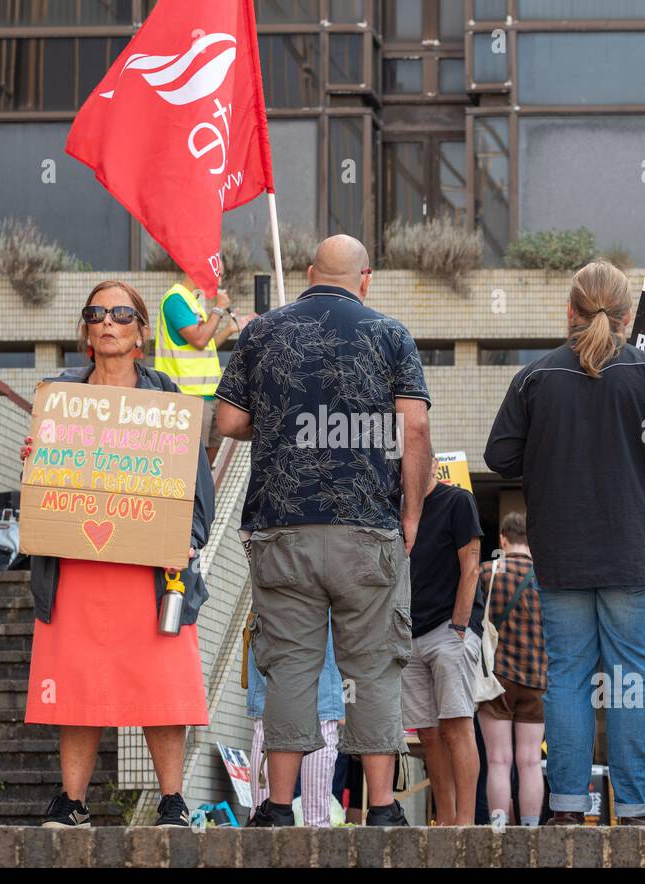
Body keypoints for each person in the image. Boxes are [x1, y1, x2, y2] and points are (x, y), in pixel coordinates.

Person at [216, 234, 432, 828]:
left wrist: (282, 418)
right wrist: (411, 513)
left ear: (310, 273)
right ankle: (383, 808)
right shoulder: (391, 335)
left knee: (289, 666)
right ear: (366, 279)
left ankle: (277, 807)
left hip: (282, 532)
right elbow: (413, 431)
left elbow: (229, 418)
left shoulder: (262, 332)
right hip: (368, 531)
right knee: (374, 668)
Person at [485, 259, 645, 826]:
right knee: (632, 678)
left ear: (569, 312)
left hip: (561, 553)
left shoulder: (536, 379)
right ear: (630, 316)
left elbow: (499, 457)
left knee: (566, 678)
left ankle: (565, 806)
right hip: (636, 552)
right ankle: (635, 810)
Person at [22, 280, 215, 828]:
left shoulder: (169, 400)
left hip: (149, 571)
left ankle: (172, 801)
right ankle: (73, 802)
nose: (108, 321)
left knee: (162, 683)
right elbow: (43, 486)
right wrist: (35, 459)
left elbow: (199, 487)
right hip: (75, 567)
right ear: (85, 329)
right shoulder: (57, 397)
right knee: (78, 683)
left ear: (141, 333)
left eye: (121, 314)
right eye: (96, 313)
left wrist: (190, 541)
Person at [402, 453, 484, 825]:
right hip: (410, 635)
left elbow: (472, 566)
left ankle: (464, 825)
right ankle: (446, 822)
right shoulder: (398, 511)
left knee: (456, 725)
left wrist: (460, 627)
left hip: (449, 631)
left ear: (433, 464)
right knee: (429, 735)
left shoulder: (457, 500)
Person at [477, 511, 546, 827]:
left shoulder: (487, 571)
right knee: (531, 760)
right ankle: (531, 828)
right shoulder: (547, 575)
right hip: (538, 678)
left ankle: (499, 827)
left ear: (503, 539)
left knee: (498, 760)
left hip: (497, 679)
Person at [246, 620, 344, 827]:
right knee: (322, 718)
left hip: (271, 608)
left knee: (267, 720)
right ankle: (316, 826)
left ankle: (262, 820)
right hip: (320, 612)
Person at [154, 272, 250, 450]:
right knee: (192, 465)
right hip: (188, 396)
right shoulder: (176, 299)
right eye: (217, 273)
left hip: (209, 395)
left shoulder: (193, 301)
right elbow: (199, 340)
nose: (220, 279)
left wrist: (230, 329)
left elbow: (206, 345)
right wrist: (219, 309)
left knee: (207, 463)